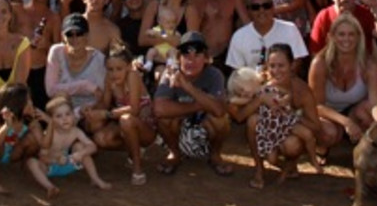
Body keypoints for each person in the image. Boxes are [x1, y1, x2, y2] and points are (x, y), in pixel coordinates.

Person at [230, 43, 322, 189]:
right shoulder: (261, 84)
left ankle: (291, 164)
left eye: (281, 66)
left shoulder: (302, 91)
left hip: (288, 129)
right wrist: (260, 100)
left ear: (292, 65)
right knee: (253, 121)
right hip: (270, 132)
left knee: (292, 144)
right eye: (272, 66)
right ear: (267, 66)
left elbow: (316, 126)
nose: (276, 70)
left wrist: (291, 115)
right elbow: (239, 116)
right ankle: (259, 170)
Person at [153, 31, 233, 176]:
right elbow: (159, 109)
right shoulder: (170, 73)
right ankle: (174, 154)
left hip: (204, 128)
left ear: (206, 58)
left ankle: (215, 155)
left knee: (222, 121)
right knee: (164, 119)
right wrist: (202, 104)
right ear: (178, 58)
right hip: (180, 128)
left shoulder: (215, 75)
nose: (191, 61)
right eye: (186, 56)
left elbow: (220, 111)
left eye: (197, 55)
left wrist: (187, 87)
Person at [307, 14, 377, 150]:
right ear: (332, 37)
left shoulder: (369, 65)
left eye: (351, 34)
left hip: (354, 111)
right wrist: (346, 122)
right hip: (327, 112)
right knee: (329, 134)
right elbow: (315, 106)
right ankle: (321, 148)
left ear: (358, 38)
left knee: (368, 115)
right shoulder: (320, 63)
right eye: (341, 34)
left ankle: (366, 147)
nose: (346, 39)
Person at [83, 46, 158, 186]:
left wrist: (105, 114)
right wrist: (92, 110)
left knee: (127, 120)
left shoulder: (133, 76)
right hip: (124, 126)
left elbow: (134, 110)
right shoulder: (109, 80)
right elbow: (105, 103)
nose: (114, 73)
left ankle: (137, 167)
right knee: (100, 138)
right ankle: (133, 149)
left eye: (119, 69)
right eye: (110, 69)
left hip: (145, 129)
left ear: (129, 66)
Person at [26, 96, 111, 198]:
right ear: (52, 120)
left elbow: (93, 146)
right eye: (59, 116)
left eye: (68, 114)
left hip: (69, 162)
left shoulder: (75, 131)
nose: (65, 118)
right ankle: (50, 187)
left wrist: (80, 153)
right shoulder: (50, 133)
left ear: (73, 116)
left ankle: (95, 178)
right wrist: (56, 160)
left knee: (80, 146)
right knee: (31, 162)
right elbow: (43, 156)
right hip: (50, 167)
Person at [226, 0, 309, 72]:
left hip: (284, 82)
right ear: (249, 10)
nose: (261, 10)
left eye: (266, 6)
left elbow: (297, 60)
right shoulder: (239, 37)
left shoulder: (290, 29)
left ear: (273, 7)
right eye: (255, 7)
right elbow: (237, 71)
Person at [44, 12, 106, 115]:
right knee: (62, 96)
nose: (74, 38)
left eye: (79, 34)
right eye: (69, 34)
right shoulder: (56, 52)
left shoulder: (99, 59)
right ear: (63, 36)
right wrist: (85, 85)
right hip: (63, 112)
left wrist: (81, 112)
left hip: (89, 111)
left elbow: (101, 95)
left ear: (87, 36)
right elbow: (51, 90)